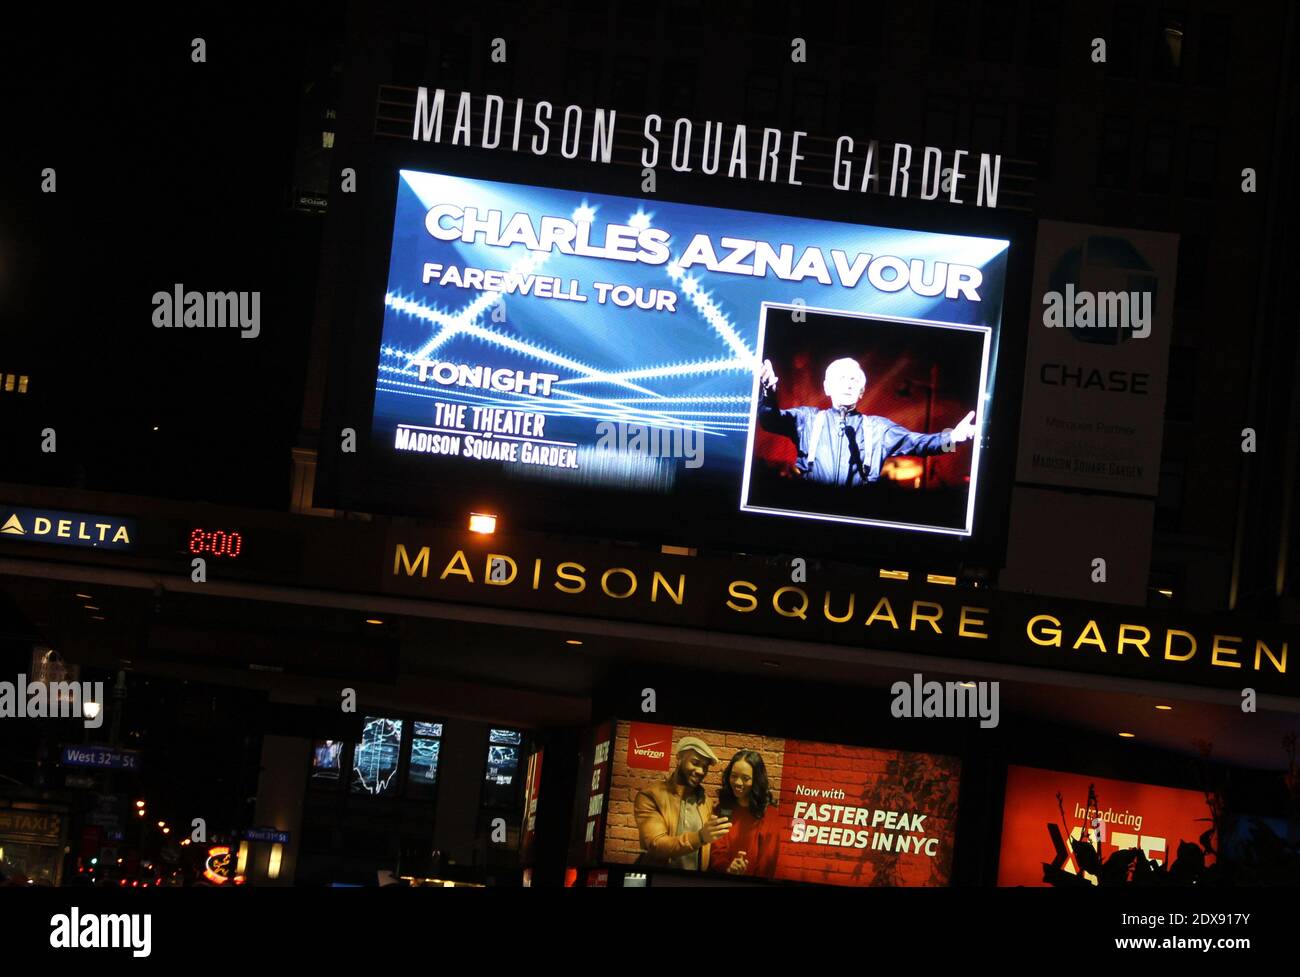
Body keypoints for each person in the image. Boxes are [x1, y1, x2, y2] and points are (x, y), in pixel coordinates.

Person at [757, 356, 977, 486]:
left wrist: (953, 438)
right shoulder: (807, 419)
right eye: (842, 379)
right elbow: (770, 420)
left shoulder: (879, 428)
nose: (848, 384)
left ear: (861, 391)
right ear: (828, 387)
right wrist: (768, 395)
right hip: (812, 510)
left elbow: (920, 443)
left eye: (854, 380)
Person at [633, 736, 731, 870]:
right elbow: (656, 844)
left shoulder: (706, 802)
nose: (701, 771)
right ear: (678, 759)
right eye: (695, 763)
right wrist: (700, 837)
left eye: (705, 767)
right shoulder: (650, 796)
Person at [707, 749, 781, 878]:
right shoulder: (723, 807)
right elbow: (717, 849)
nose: (738, 783)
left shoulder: (770, 814)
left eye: (746, 778)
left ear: (756, 780)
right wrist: (728, 869)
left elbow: (767, 863)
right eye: (734, 776)